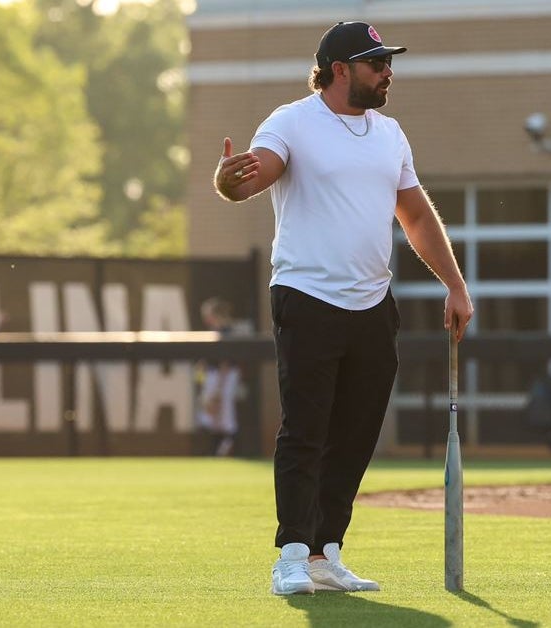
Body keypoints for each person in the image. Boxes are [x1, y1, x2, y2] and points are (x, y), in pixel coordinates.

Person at [212, 21, 473, 595]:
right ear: (340, 70)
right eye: (376, 62)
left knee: (356, 434)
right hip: (306, 298)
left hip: (373, 304)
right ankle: (291, 554)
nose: (388, 72)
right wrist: (229, 183)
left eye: (387, 62)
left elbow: (418, 217)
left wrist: (455, 286)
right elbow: (254, 176)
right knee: (305, 429)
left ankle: (327, 552)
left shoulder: (391, 133)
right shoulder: (291, 122)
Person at [196, 298, 240, 457]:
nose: (206, 317)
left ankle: (226, 448)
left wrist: (219, 389)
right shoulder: (212, 332)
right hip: (212, 376)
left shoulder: (227, 332)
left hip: (225, 376)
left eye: (208, 314)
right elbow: (204, 364)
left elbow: (225, 364)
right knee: (209, 415)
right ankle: (216, 450)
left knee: (225, 411)